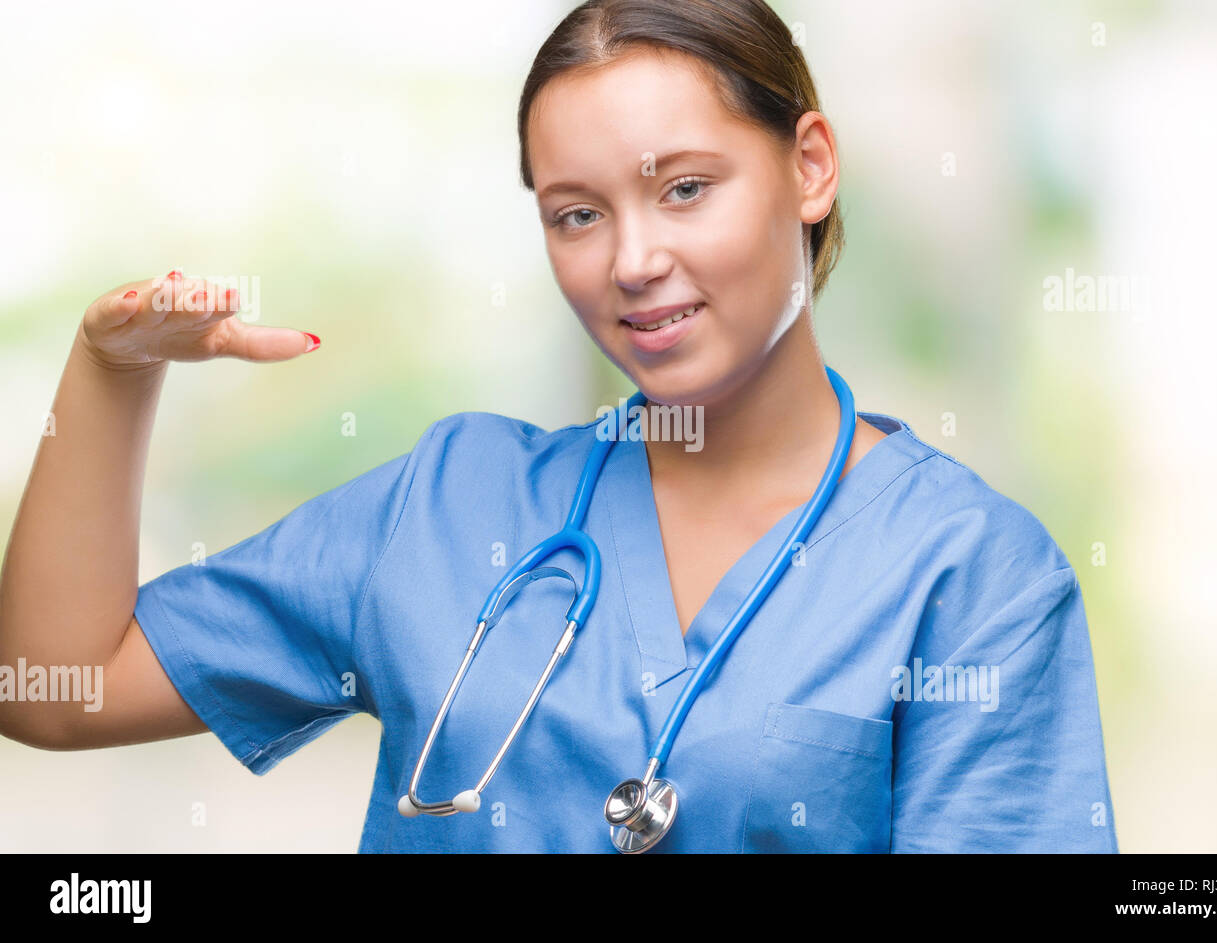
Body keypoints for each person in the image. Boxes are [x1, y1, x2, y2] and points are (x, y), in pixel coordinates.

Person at [0, 0, 1118, 853]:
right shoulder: (447, 506)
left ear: (809, 166)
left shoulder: (972, 576)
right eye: (576, 214)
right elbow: (54, 686)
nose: (631, 261)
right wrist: (112, 373)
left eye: (684, 188)